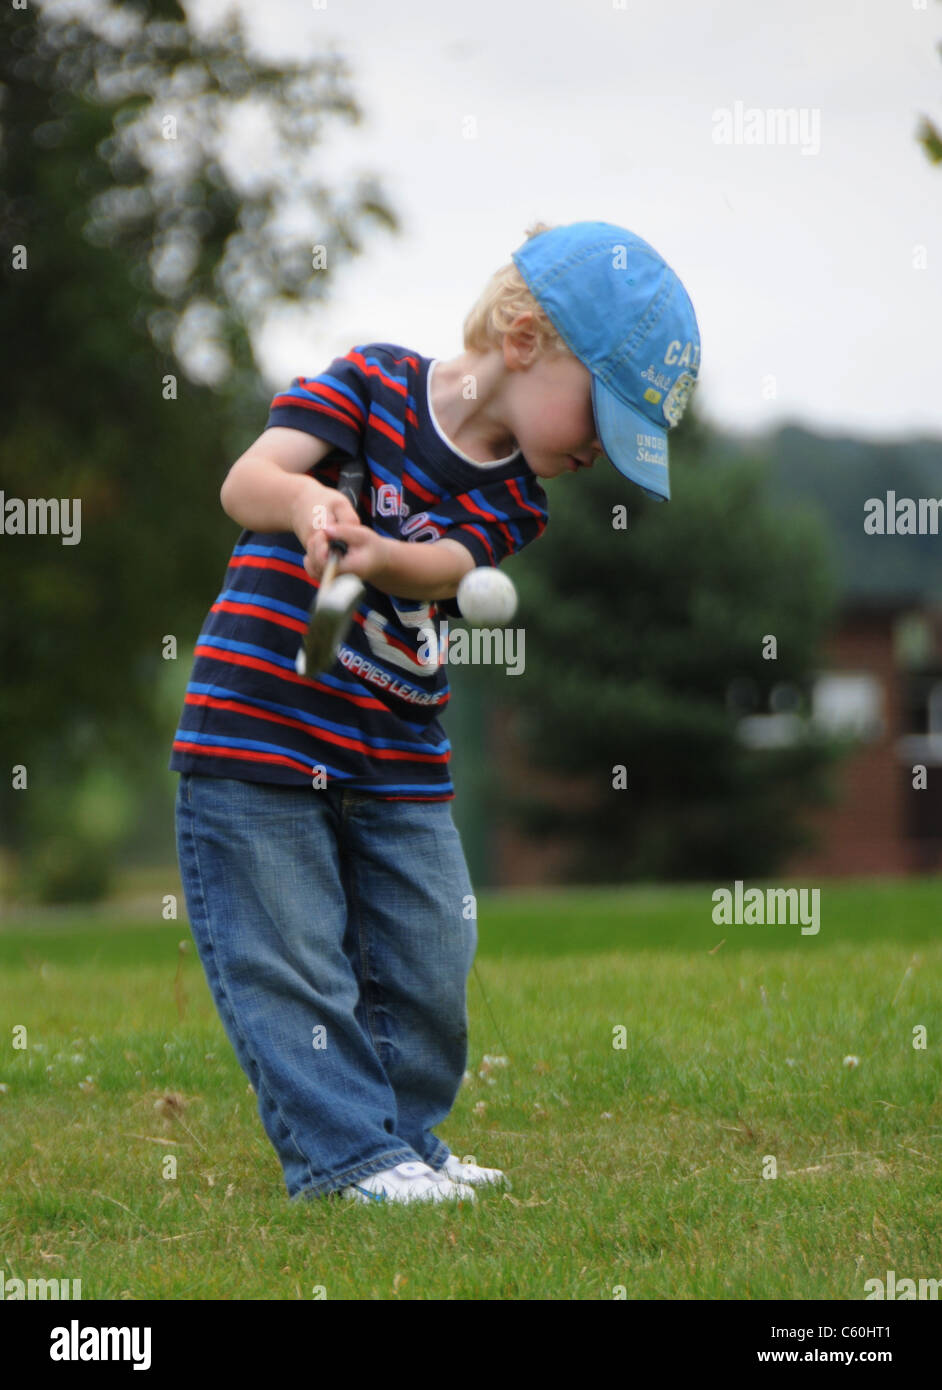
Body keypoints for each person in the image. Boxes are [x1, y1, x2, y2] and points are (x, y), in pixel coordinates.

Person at [170, 219, 701, 1205]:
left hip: (396, 756)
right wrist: (307, 507)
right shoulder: (368, 384)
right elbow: (247, 479)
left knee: (429, 955)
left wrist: (375, 556)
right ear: (525, 341)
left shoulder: (519, 501)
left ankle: (401, 1138)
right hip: (258, 733)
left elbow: (448, 566)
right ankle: (345, 1159)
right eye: (602, 414)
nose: (601, 451)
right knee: (291, 963)